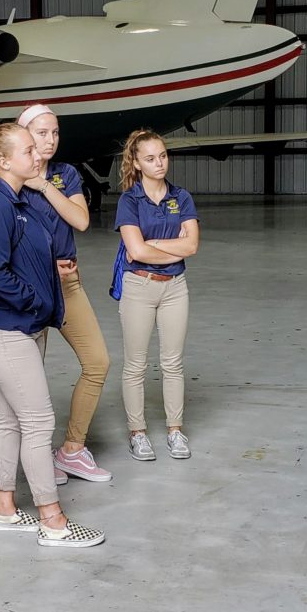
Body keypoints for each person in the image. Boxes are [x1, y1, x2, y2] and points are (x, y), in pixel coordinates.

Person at [0, 123, 105, 548]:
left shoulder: (19, 200)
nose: (37, 155)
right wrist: (37, 303)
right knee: (39, 421)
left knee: (11, 418)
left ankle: (3, 508)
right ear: (4, 162)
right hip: (5, 329)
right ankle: (53, 519)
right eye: (27, 150)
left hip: (20, 326)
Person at [17, 104, 112, 485]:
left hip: (69, 286)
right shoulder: (9, 176)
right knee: (28, 380)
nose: (51, 140)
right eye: (42, 133)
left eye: (55, 133)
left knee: (98, 362)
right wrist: (41, 265)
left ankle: (72, 450)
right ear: (24, 134)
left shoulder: (64, 174)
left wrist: (44, 186)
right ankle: (37, 461)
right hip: (31, 289)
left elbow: (81, 220)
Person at [114, 129, 200, 461]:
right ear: (136, 162)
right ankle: (138, 433)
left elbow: (191, 246)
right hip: (138, 287)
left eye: (162, 155)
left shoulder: (182, 197)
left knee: (172, 363)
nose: (159, 163)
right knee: (135, 365)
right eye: (150, 158)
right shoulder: (129, 201)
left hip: (175, 288)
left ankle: (175, 430)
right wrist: (169, 248)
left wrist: (154, 247)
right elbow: (134, 252)